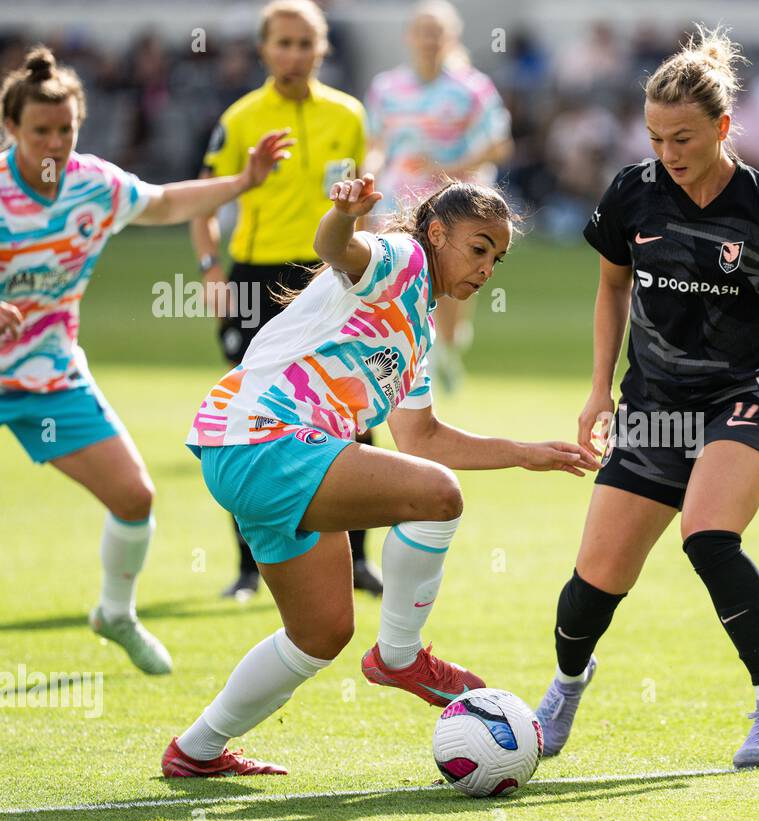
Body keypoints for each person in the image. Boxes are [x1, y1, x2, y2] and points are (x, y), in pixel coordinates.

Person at [163, 174, 598, 776]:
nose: (486, 268)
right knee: (438, 495)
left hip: (254, 451)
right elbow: (335, 248)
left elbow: (423, 438)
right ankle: (399, 656)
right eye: (478, 248)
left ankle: (196, 750)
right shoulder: (404, 258)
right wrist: (345, 215)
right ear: (438, 232)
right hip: (265, 439)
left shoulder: (418, 332)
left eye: (497, 258)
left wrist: (525, 452)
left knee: (319, 634)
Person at [533, 27, 759, 770]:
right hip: (653, 402)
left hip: (746, 395)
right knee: (594, 581)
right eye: (654, 138)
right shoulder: (633, 194)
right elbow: (612, 287)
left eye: (682, 138)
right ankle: (566, 688)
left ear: (723, 128)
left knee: (708, 537)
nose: (667, 153)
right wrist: (596, 392)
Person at [0, 46, 288, 674]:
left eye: (65, 129)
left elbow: (161, 203)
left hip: (48, 375)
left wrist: (241, 184)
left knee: (134, 496)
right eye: (39, 131)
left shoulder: (92, 185)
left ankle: (115, 613)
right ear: (11, 129)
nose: (54, 143)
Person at [190, 0, 382, 601]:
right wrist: (209, 269)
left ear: (322, 49)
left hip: (325, 274)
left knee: (350, 405)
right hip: (254, 277)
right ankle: (249, 569)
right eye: (283, 43)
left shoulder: (347, 115)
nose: (294, 54)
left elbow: (357, 193)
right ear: (264, 49)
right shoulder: (242, 117)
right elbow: (204, 196)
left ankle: (357, 559)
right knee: (248, 420)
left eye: (305, 44)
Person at [364, 0, 512, 394]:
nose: (429, 40)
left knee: (452, 280)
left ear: (450, 38)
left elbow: (498, 144)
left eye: (437, 32)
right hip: (400, 200)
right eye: (422, 31)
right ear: (409, 36)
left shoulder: (471, 88)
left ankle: (448, 344)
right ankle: (410, 354)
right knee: (401, 276)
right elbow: (376, 141)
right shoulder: (386, 87)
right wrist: (368, 172)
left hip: (455, 202)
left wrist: (449, 166)